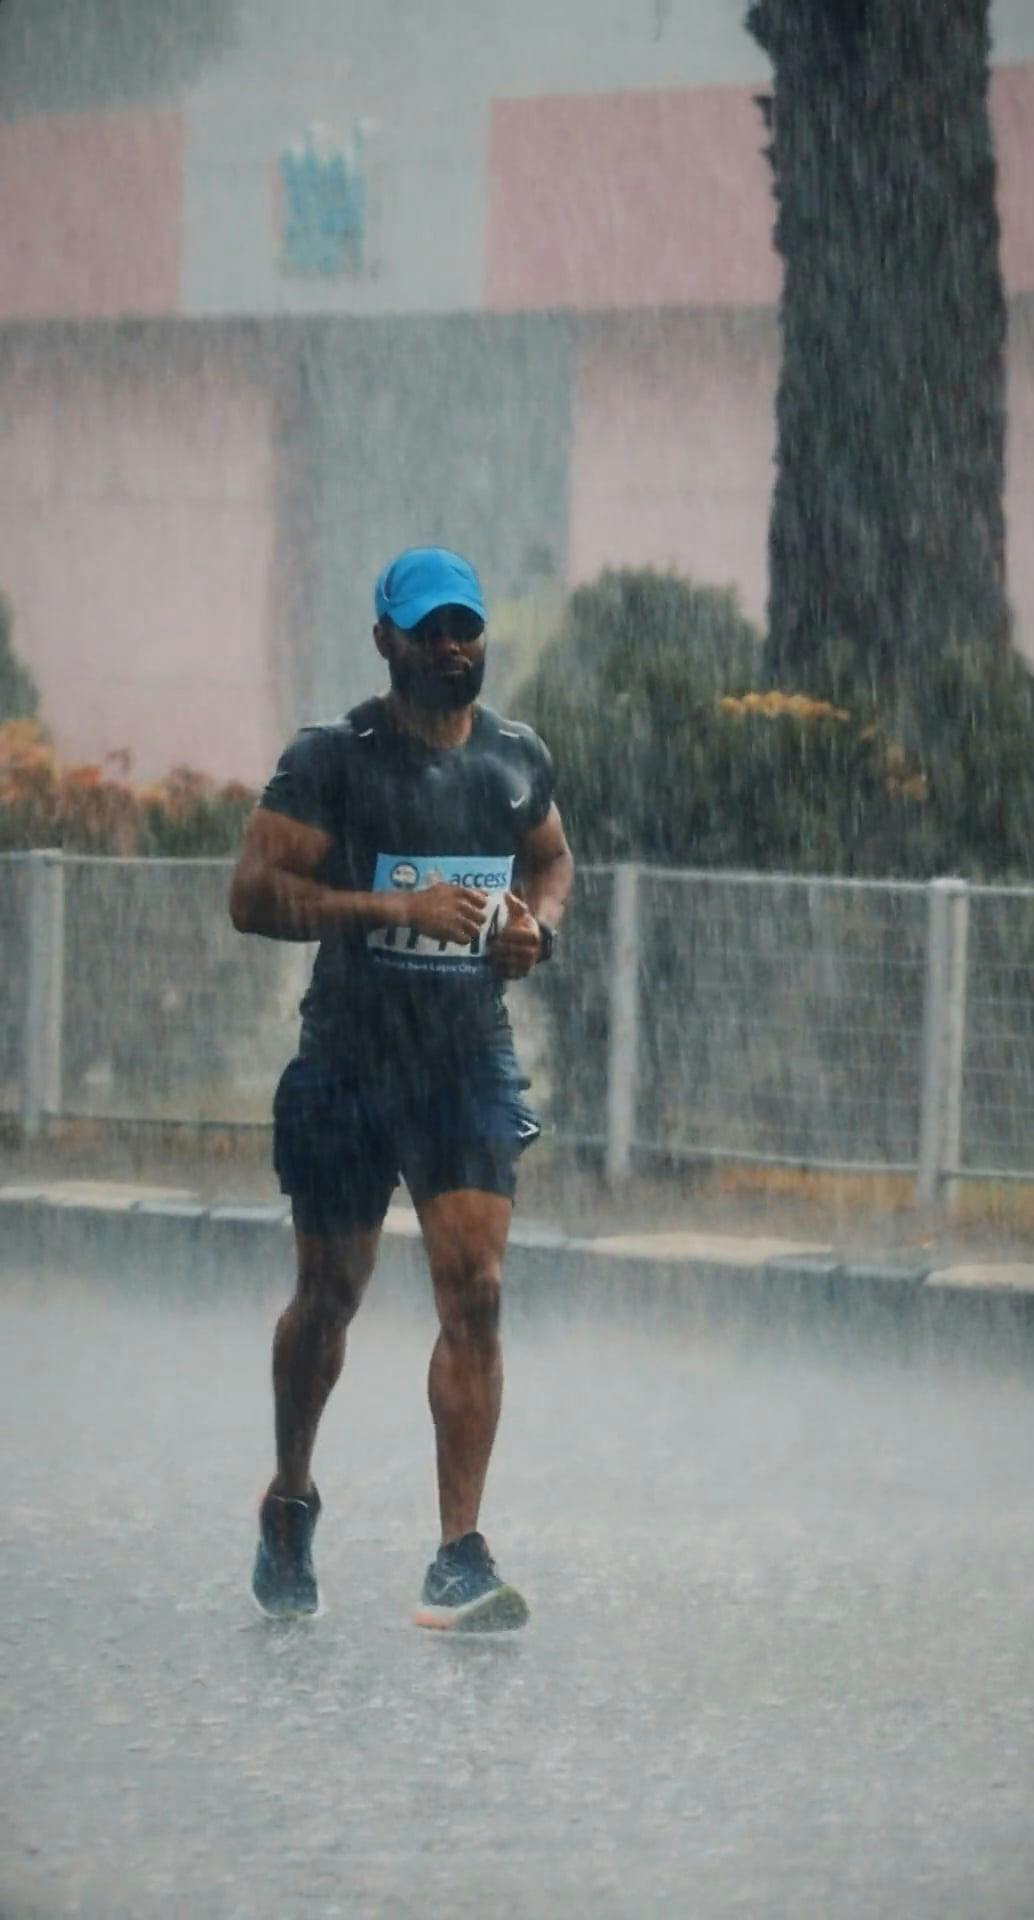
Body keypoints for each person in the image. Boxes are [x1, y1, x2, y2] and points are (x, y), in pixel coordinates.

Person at [229, 546, 574, 1630]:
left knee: (477, 1290)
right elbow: (253, 895)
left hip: (464, 1063)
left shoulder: (515, 758)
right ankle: (291, 1497)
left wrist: (536, 930)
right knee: (329, 1297)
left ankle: (458, 1554)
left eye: (465, 627)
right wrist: (392, 910)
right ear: (385, 640)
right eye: (429, 630)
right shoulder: (333, 761)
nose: (452, 646)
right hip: (348, 1062)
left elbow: (552, 861)